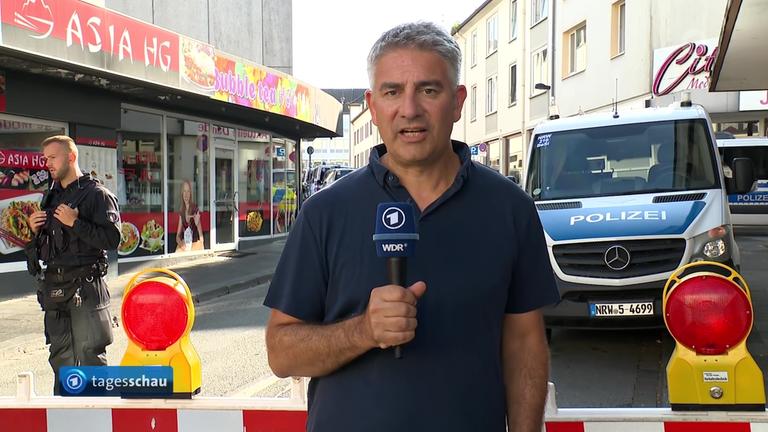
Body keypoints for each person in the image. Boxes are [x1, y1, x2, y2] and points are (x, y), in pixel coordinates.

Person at [263, 22, 559, 432]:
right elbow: (281, 352)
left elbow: (525, 342)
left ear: (457, 102)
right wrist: (364, 331)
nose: (410, 109)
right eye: (392, 92)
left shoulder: (510, 208)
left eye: (428, 90)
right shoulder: (324, 212)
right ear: (372, 104)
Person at [26, 135, 121, 395]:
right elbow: (47, 247)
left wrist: (76, 223)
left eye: (52, 158)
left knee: (90, 357)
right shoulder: (51, 196)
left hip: (85, 288)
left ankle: (99, 417)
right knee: (61, 358)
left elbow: (113, 239)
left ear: (71, 157)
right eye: (45, 159)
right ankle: (63, 416)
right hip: (55, 289)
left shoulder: (97, 195)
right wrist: (34, 232)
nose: (47, 164)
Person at [175, 179, 204, 251]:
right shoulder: (181, 210)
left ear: (191, 193)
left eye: (188, 191)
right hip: (185, 244)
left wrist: (197, 223)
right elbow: (177, 236)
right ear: (182, 193)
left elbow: (201, 237)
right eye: (184, 191)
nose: (186, 194)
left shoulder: (195, 209)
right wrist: (181, 245)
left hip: (194, 244)